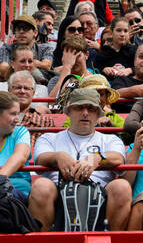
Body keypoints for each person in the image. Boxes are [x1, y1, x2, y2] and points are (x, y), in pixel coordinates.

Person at [29, 87, 131, 230]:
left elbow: (119, 158)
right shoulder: (49, 137)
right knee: (41, 186)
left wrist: (98, 158)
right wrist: (58, 156)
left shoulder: (110, 140)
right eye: (79, 108)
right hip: (58, 193)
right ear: (68, 112)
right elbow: (40, 158)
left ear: (98, 114)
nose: (85, 113)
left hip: (100, 193)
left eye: (91, 109)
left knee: (122, 186)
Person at [0, 14, 55, 78]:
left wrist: (18, 65)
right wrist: (31, 66)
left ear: (35, 33)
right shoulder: (7, 48)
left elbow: (47, 65)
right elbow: (3, 69)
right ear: (15, 33)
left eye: (26, 28)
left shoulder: (45, 48)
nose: (21, 31)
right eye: (18, 29)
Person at [107, 41, 143, 107]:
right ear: (135, 60)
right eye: (142, 57)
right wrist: (133, 91)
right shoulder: (122, 79)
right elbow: (111, 95)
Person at [47, 33, 91, 105]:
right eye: (68, 56)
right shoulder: (55, 80)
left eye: (77, 55)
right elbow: (53, 105)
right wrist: (67, 66)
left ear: (86, 55)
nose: (73, 60)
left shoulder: (98, 79)